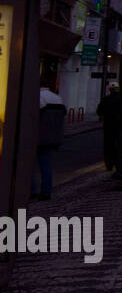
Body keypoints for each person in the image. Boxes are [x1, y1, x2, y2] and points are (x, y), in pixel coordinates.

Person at [32, 71, 67, 201]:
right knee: (46, 165)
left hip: (37, 136)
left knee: (29, 165)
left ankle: (32, 190)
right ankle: (46, 192)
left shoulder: (38, 97)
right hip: (52, 137)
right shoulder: (57, 98)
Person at [97, 82, 122, 171]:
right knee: (119, 144)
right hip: (120, 124)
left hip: (108, 124)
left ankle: (109, 164)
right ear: (118, 89)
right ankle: (118, 164)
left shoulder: (105, 99)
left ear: (110, 90)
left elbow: (99, 111)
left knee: (108, 145)